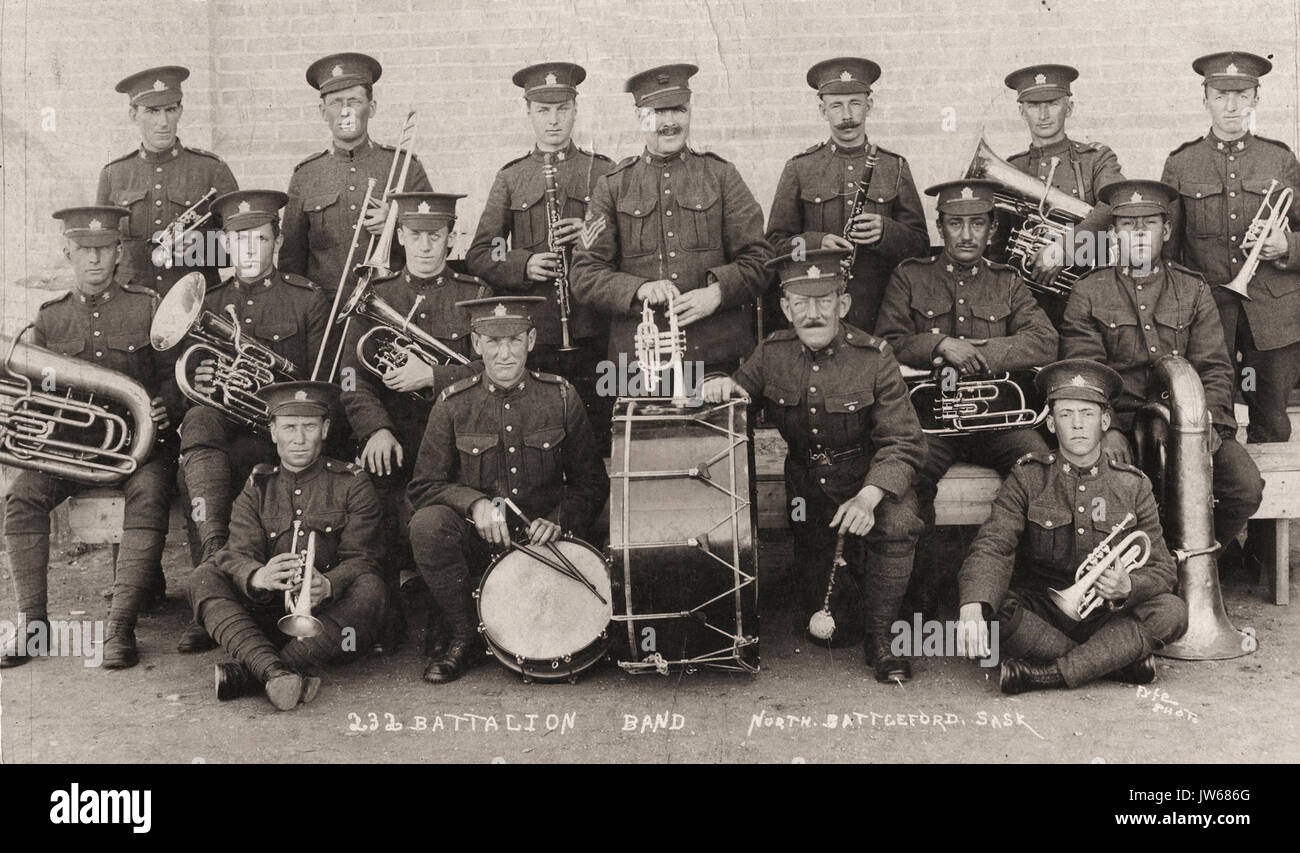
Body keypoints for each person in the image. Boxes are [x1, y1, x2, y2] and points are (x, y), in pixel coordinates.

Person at [700, 248, 925, 683]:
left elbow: (904, 442)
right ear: (786, 308)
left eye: (824, 301)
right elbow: (739, 393)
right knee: (827, 626)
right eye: (801, 303)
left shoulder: (874, 356)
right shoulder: (772, 353)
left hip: (866, 479)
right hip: (808, 493)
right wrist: (719, 387)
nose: (813, 314)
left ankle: (883, 640)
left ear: (843, 304)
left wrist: (869, 496)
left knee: (898, 524)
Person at [1, 207, 179, 669]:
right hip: (72, 450)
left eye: (104, 250)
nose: (95, 260)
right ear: (69, 254)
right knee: (21, 496)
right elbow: (34, 396)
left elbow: (172, 378)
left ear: (119, 252)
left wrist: (165, 406)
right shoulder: (50, 318)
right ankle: (32, 626)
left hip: (139, 452)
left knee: (151, 493)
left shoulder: (146, 306)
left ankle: (120, 627)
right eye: (85, 251)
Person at [874, 179, 1057, 612]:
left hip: (996, 422)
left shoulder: (1008, 282)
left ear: (993, 229)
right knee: (910, 483)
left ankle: (1022, 590)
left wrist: (979, 352)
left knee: (1039, 468)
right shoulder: (910, 277)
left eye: (978, 223)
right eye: (956, 224)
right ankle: (921, 595)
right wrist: (938, 346)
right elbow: (886, 341)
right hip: (933, 422)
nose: (967, 234)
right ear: (940, 227)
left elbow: (1045, 341)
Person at [1060, 179, 1263, 563]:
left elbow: (1215, 368)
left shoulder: (1193, 289)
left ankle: (1192, 565)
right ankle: (1136, 572)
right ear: (1113, 234)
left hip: (1188, 426)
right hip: (1120, 426)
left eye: (1149, 224)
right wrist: (1109, 430)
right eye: (1126, 226)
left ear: (1166, 230)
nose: (1138, 234)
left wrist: (1209, 427)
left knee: (1243, 486)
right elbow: (1086, 375)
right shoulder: (1088, 292)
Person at [406, 296, 608, 684]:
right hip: (479, 539)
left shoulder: (561, 396)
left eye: (514, 340)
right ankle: (464, 635)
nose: (504, 354)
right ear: (476, 345)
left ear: (531, 340)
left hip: (546, 541)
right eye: (493, 343)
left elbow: (591, 481)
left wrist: (560, 519)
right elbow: (423, 486)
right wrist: (475, 504)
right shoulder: (452, 404)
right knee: (427, 525)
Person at [957, 359, 1186, 693]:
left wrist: (1127, 587)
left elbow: (1163, 569)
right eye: (1066, 415)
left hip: (1106, 614)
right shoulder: (1029, 477)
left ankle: (1045, 675)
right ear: (1050, 424)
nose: (1077, 425)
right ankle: (1114, 662)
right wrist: (973, 605)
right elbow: (994, 543)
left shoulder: (1133, 485)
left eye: (1088, 414)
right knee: (991, 606)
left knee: (1172, 612)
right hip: (1045, 612)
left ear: (1105, 421)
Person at [174, 190, 330, 653]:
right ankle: (213, 569)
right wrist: (206, 376)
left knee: (218, 451)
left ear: (276, 242)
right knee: (199, 422)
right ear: (225, 243)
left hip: (281, 440)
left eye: (260, 239)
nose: (249, 250)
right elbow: (184, 377)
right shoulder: (207, 301)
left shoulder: (307, 299)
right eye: (239, 240)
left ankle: (217, 590)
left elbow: (319, 385)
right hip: (228, 435)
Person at [340, 191, 488, 652]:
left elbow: (497, 368)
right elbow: (352, 379)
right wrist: (375, 429)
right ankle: (383, 612)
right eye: (416, 235)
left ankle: (451, 614)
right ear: (401, 236)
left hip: (460, 440)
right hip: (398, 435)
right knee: (372, 498)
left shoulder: (476, 295)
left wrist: (434, 374)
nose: (425, 246)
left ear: (451, 237)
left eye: (436, 235)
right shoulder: (377, 298)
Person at [570, 63, 772, 395]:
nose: (669, 123)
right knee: (641, 445)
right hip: (637, 364)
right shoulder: (612, 186)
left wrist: (717, 294)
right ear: (639, 116)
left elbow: (760, 260)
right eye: (656, 112)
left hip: (716, 355)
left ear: (689, 111)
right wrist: (638, 289)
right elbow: (584, 274)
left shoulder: (723, 177)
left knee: (720, 443)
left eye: (677, 109)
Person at [189, 381, 386, 711]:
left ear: (324, 429)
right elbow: (237, 553)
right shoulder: (258, 486)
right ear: (272, 432)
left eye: (309, 427)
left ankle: (260, 670)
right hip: (267, 611)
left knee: (372, 590)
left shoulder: (352, 483)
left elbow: (363, 558)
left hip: (326, 616)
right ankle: (278, 671)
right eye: (289, 427)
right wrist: (259, 576)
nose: (299, 438)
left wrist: (330, 584)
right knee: (203, 577)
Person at [466, 63, 615, 440]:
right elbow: (482, 252)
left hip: (596, 328)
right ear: (528, 112)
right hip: (540, 332)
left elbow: (630, 248)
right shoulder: (512, 177)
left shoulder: (604, 172)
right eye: (543, 111)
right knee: (543, 434)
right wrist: (524, 263)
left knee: (599, 433)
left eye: (562, 109)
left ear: (575, 109)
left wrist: (591, 232)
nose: (554, 121)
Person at [1161, 51, 1300, 445]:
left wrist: (1286, 245)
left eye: (1242, 94)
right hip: (1209, 314)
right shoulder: (1181, 164)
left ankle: (1271, 508)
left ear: (1257, 97)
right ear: (1204, 98)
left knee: (1272, 424)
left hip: (1274, 319)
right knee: (1211, 422)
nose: (1232, 106)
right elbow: (1168, 253)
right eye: (1221, 95)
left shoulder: (1282, 159)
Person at [766, 57, 928, 333]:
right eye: (836, 106)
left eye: (855, 103)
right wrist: (817, 243)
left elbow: (920, 245)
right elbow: (775, 245)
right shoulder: (800, 167)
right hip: (817, 308)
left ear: (869, 106)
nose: (847, 116)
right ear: (822, 110)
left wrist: (885, 232)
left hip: (881, 310)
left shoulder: (894, 166)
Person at [281, 52, 433, 304]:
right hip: (328, 312)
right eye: (336, 103)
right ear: (322, 111)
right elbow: (291, 262)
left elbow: (437, 241)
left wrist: (396, 227)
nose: (345, 111)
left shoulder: (405, 166)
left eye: (354, 101)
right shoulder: (305, 175)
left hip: (395, 304)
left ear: (371, 108)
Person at [97, 66, 238, 295]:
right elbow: (102, 251)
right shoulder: (114, 175)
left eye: (170, 110)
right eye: (152, 111)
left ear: (180, 111)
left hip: (195, 303)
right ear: (133, 115)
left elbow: (244, 247)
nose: (163, 122)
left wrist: (201, 247)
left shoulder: (212, 169)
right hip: (132, 306)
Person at [1000, 64, 1125, 290]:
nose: (1044, 115)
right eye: (1034, 106)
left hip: (1089, 290)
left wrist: (1064, 249)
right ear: (1021, 112)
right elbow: (1000, 240)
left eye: (1053, 104)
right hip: (1024, 295)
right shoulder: (1012, 168)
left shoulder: (1096, 159)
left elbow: (1115, 200)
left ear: (1069, 109)